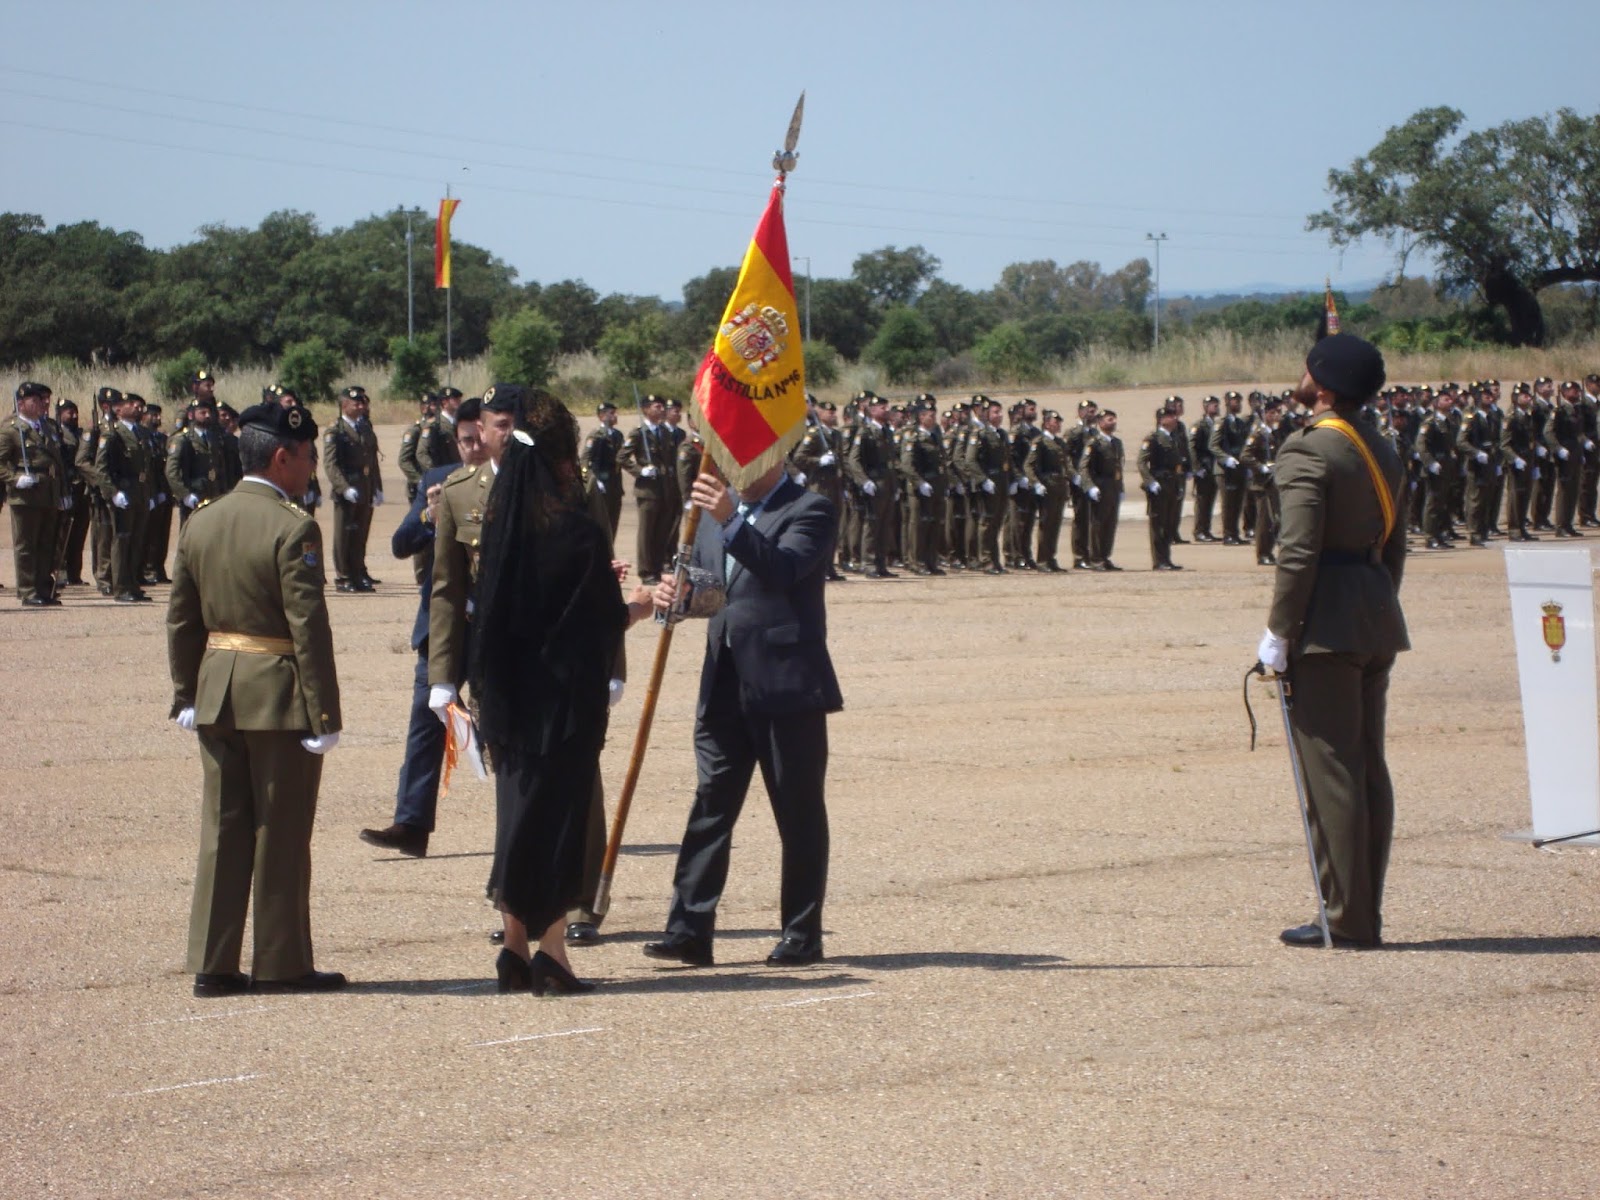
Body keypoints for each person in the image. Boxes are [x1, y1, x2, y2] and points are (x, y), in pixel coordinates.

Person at [467, 385, 654, 995]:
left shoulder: (501, 521)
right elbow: (594, 621)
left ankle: (514, 947)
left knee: (516, 817)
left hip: (509, 696)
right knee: (555, 823)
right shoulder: (573, 528)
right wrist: (643, 604)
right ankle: (552, 953)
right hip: (561, 703)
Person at [167, 400, 345, 995]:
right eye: (305, 458)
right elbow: (307, 627)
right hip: (276, 693)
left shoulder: (203, 519)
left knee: (223, 828)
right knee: (281, 830)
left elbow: (181, 620)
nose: (309, 468)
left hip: (216, 690)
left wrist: (184, 691)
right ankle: (281, 962)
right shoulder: (293, 525)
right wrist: (325, 713)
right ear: (280, 457)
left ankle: (213, 964)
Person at [643, 456, 844, 969]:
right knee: (710, 802)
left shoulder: (810, 509)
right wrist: (677, 597)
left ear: (774, 456)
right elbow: (714, 592)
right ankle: (689, 929)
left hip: (784, 684)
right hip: (724, 680)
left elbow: (782, 569)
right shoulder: (714, 516)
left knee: (797, 811)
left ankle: (802, 934)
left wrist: (732, 519)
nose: (735, 466)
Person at [1255, 333, 1408, 950]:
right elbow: (1393, 543)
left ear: (1322, 386)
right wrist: (1375, 604)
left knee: (1334, 773)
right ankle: (1361, 912)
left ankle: (1345, 918)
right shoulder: (1380, 445)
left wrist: (1279, 631)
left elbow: (1297, 552)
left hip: (1325, 626)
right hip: (1373, 613)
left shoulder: (1310, 450)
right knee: (1367, 766)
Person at [360, 399, 488, 858]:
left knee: (503, 726)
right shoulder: (438, 481)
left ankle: (525, 825)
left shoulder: (511, 483)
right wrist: (427, 518)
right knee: (425, 723)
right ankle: (411, 825)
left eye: (481, 438)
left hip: (493, 625)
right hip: (443, 626)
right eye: (466, 440)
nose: (474, 448)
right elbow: (399, 545)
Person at [1, 381, 65, 606]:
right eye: (34, 400)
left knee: (46, 543)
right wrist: (15, 478)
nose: (40, 403)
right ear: (21, 403)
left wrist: (62, 491)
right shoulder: (11, 429)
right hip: (25, 494)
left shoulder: (45, 426)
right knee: (26, 544)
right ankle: (28, 590)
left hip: (47, 491)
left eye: (40, 400)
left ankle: (42, 587)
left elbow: (57, 461)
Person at [323, 385, 385, 591]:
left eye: (361, 403)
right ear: (344, 405)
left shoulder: (364, 427)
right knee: (344, 535)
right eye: (355, 403)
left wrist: (377, 487)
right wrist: (344, 487)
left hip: (365, 486)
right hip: (347, 489)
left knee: (360, 534)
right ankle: (343, 577)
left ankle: (358, 574)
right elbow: (331, 464)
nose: (360, 406)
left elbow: (372, 460)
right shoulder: (336, 430)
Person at [97, 389, 155, 603]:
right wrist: (113, 493)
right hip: (123, 493)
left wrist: (150, 492)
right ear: (118, 409)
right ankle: (121, 587)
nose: (137, 407)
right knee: (122, 540)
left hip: (139, 493)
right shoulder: (113, 433)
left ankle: (132, 583)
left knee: (137, 540)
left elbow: (148, 466)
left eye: (138, 405)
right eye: (131, 404)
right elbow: (102, 468)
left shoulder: (141, 432)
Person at [618, 393, 677, 583]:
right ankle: (646, 571)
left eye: (661, 406)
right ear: (645, 409)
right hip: (648, 490)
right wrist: (640, 471)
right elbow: (622, 457)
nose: (661, 409)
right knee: (647, 531)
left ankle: (658, 567)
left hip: (664, 488)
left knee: (662, 530)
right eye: (656, 406)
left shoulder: (665, 432)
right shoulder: (638, 432)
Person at [1079, 408, 1124, 571]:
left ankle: (1105, 556)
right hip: (1100, 486)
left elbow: (1119, 466)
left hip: (1113, 486)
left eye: (1114, 419)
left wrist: (1120, 487)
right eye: (1109, 419)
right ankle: (1096, 558)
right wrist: (1090, 486)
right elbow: (1084, 467)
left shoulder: (1117, 443)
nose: (1113, 422)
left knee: (1110, 524)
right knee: (1098, 524)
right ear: (1100, 423)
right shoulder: (1094, 442)